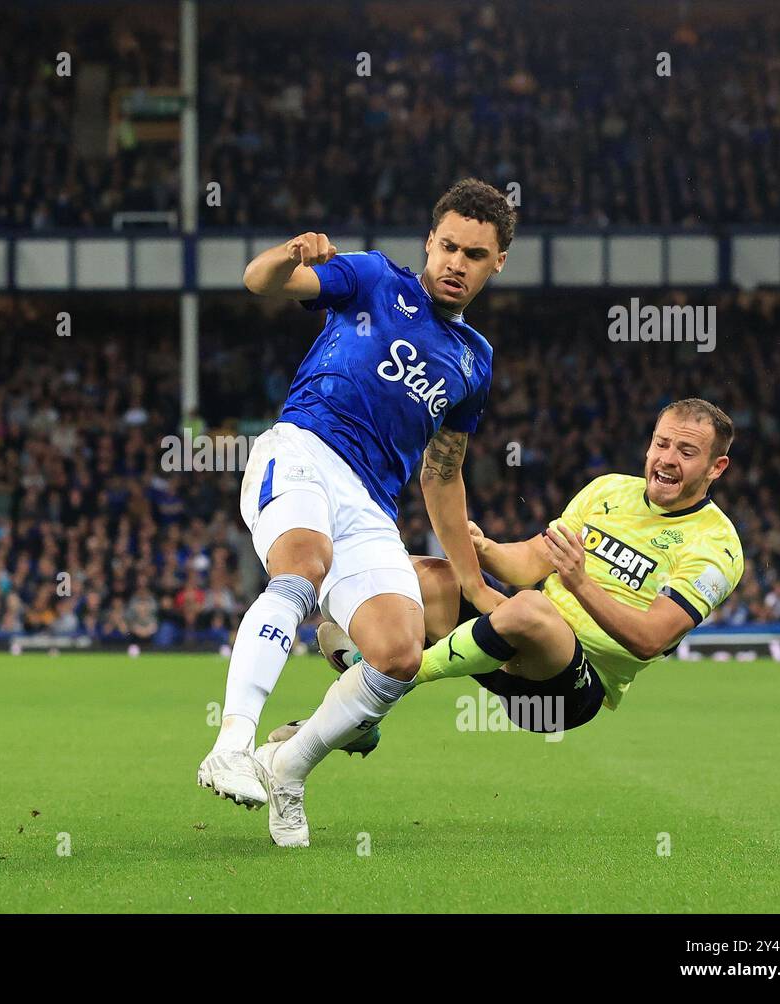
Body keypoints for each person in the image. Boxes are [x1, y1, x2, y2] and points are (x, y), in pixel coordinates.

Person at [198, 179, 516, 847]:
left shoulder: (474, 362)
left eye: (476, 255)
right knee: (303, 568)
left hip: (371, 505)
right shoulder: (373, 279)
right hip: (304, 451)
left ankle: (288, 768)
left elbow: (443, 472)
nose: (458, 263)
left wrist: (474, 583)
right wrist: (291, 255)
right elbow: (260, 282)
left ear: (497, 264)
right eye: (450, 246)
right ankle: (231, 741)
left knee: (400, 654)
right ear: (430, 242)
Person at [274, 400, 746, 800]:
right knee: (412, 575)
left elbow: (650, 638)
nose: (667, 459)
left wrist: (580, 583)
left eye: (686, 451)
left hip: (567, 691)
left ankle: (355, 698)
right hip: (509, 639)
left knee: (531, 608)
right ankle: (363, 715)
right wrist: (483, 548)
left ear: (715, 467)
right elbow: (529, 564)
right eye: (662, 444)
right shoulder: (608, 491)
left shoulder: (716, 548)